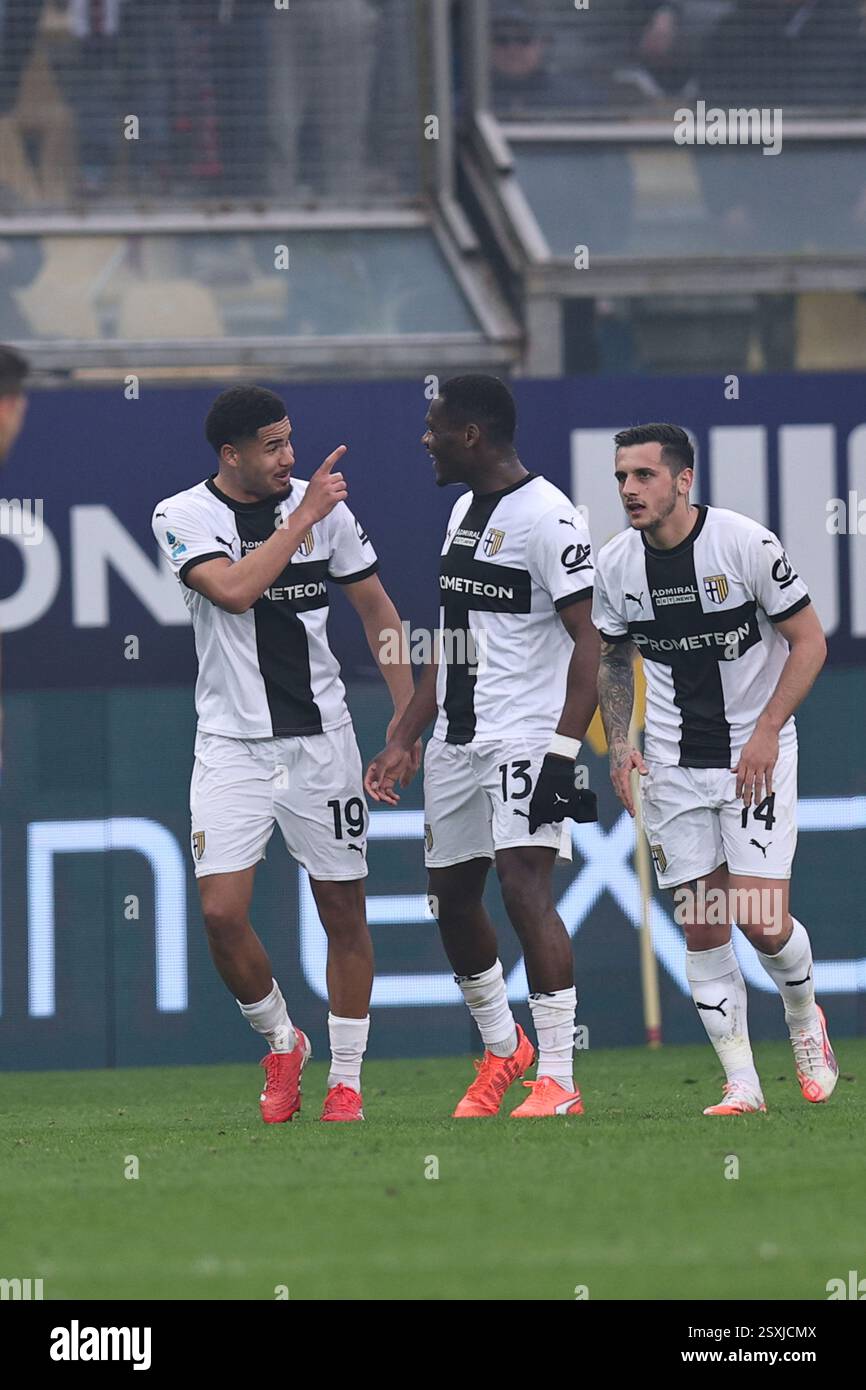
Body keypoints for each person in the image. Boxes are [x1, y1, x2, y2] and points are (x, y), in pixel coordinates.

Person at [151, 385, 416, 1124]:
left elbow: (377, 610)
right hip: (232, 745)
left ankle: (348, 1082)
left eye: (290, 440)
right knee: (220, 912)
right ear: (230, 455)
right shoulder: (183, 515)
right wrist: (301, 519)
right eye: (272, 445)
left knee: (343, 910)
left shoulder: (323, 511)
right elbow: (233, 591)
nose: (290, 457)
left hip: (321, 743)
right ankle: (281, 1041)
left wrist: (402, 721)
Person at [366, 375, 600, 1119]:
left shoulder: (551, 518)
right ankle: (505, 1050)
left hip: (526, 736)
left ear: (471, 434)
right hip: (457, 741)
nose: (424, 440)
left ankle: (559, 1079)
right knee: (450, 898)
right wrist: (405, 735)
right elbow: (454, 635)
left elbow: (593, 642)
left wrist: (563, 752)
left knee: (524, 889)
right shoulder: (464, 511)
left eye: (434, 427)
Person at [593, 422, 838, 1115]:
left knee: (760, 921)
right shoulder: (614, 564)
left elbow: (809, 641)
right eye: (620, 478)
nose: (630, 490)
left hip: (751, 757)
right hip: (670, 763)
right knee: (703, 921)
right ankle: (742, 1084)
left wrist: (766, 730)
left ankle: (803, 1019)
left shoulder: (744, 543)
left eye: (643, 475)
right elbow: (612, 657)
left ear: (682, 479)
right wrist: (620, 743)